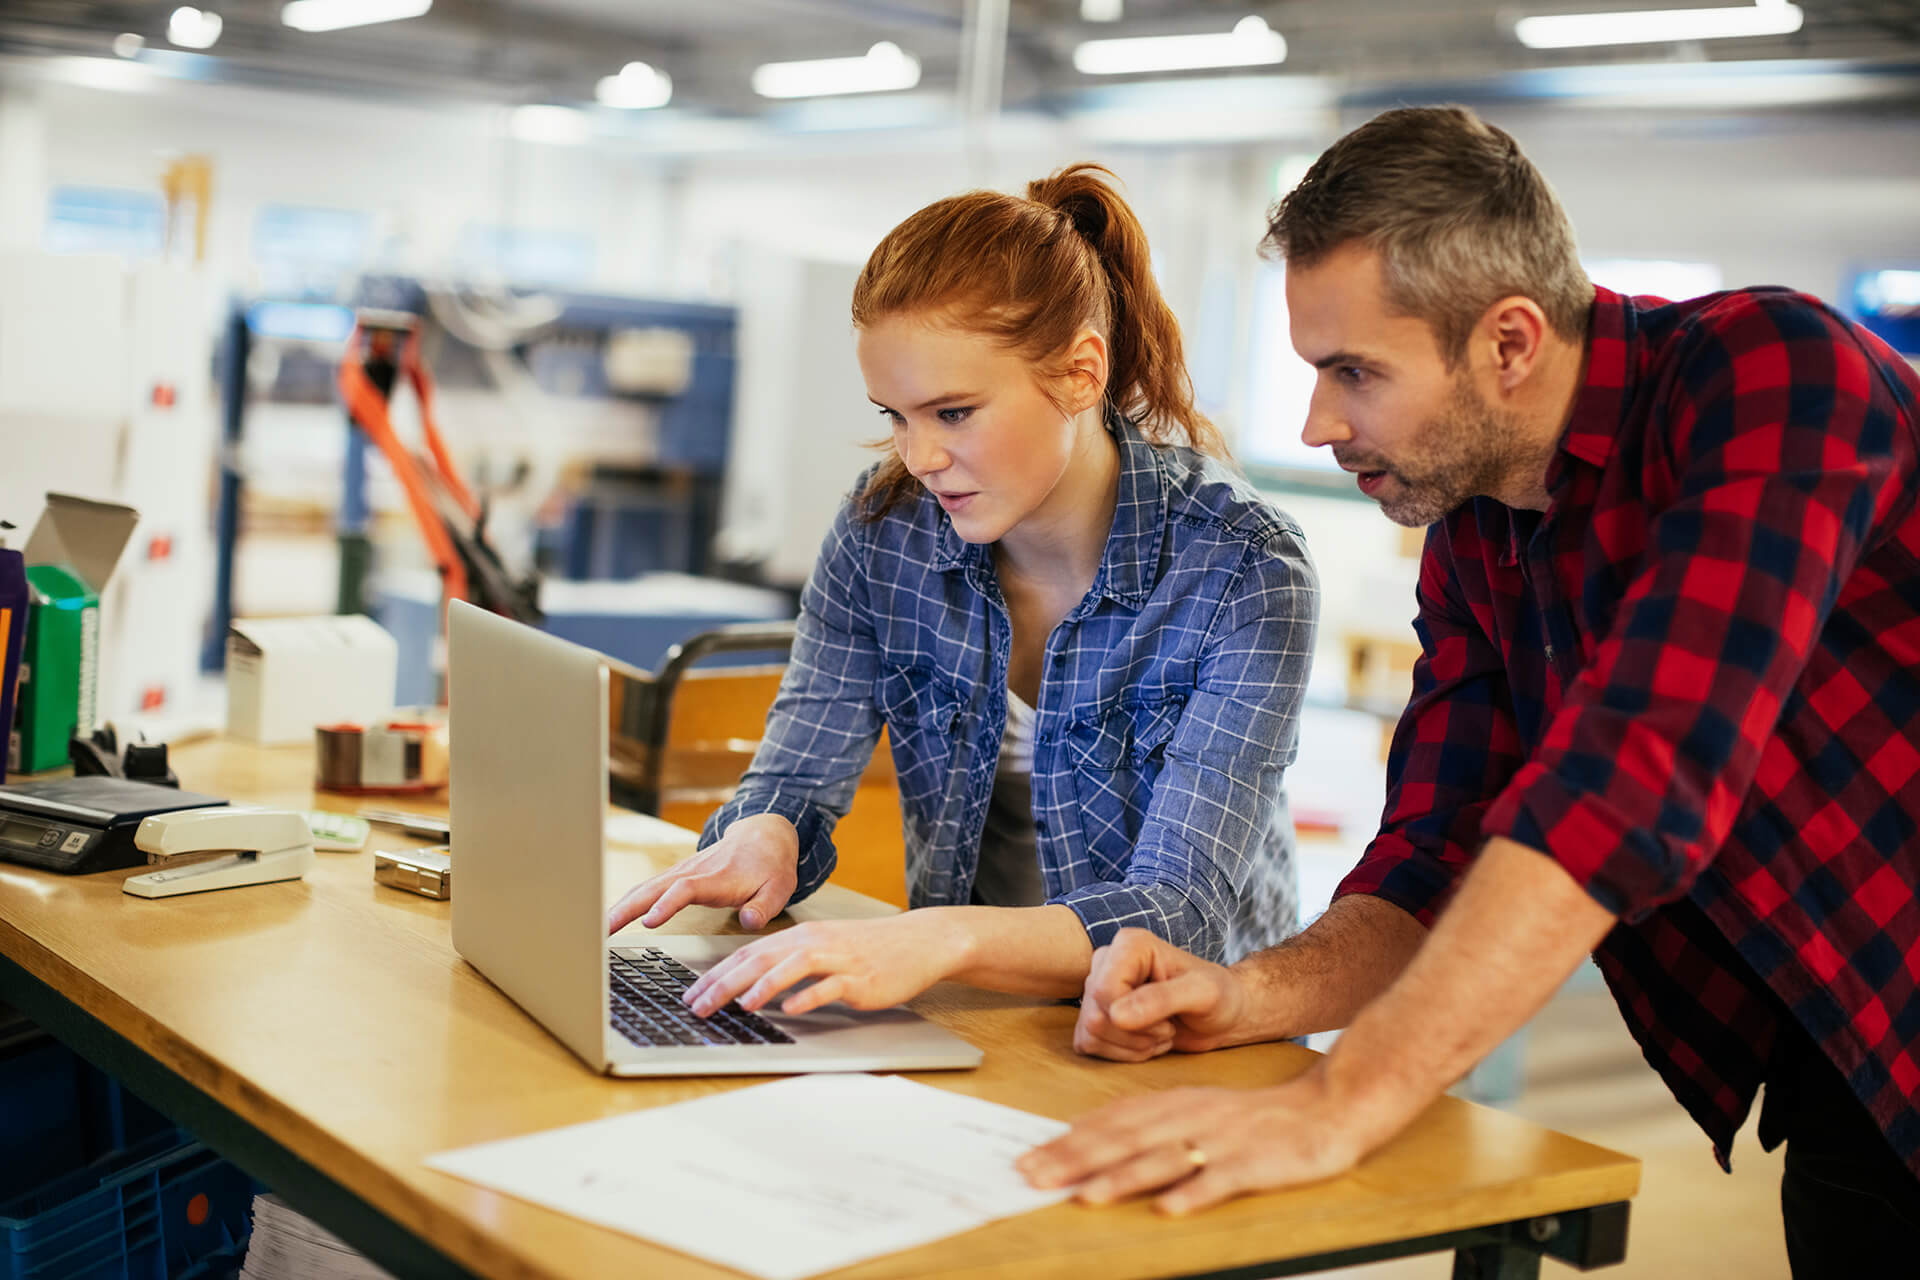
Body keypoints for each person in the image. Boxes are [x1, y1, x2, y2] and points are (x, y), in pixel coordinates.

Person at [1017, 107, 1920, 1276]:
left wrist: (1348, 1094)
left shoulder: (1776, 376)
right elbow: (1435, 854)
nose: (1317, 421)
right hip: (1850, 1042)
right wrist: (1250, 995)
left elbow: (1640, 771)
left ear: (1508, 342)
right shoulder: (1481, 527)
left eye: (1355, 372)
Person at [607, 164, 1317, 1022]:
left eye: (953, 413)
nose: (919, 458)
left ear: (1082, 372)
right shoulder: (881, 537)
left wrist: (938, 938)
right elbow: (797, 772)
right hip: (978, 1007)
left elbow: (1179, 913)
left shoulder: (1244, 569)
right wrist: (767, 832)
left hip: (1183, 1031)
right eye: (896, 416)